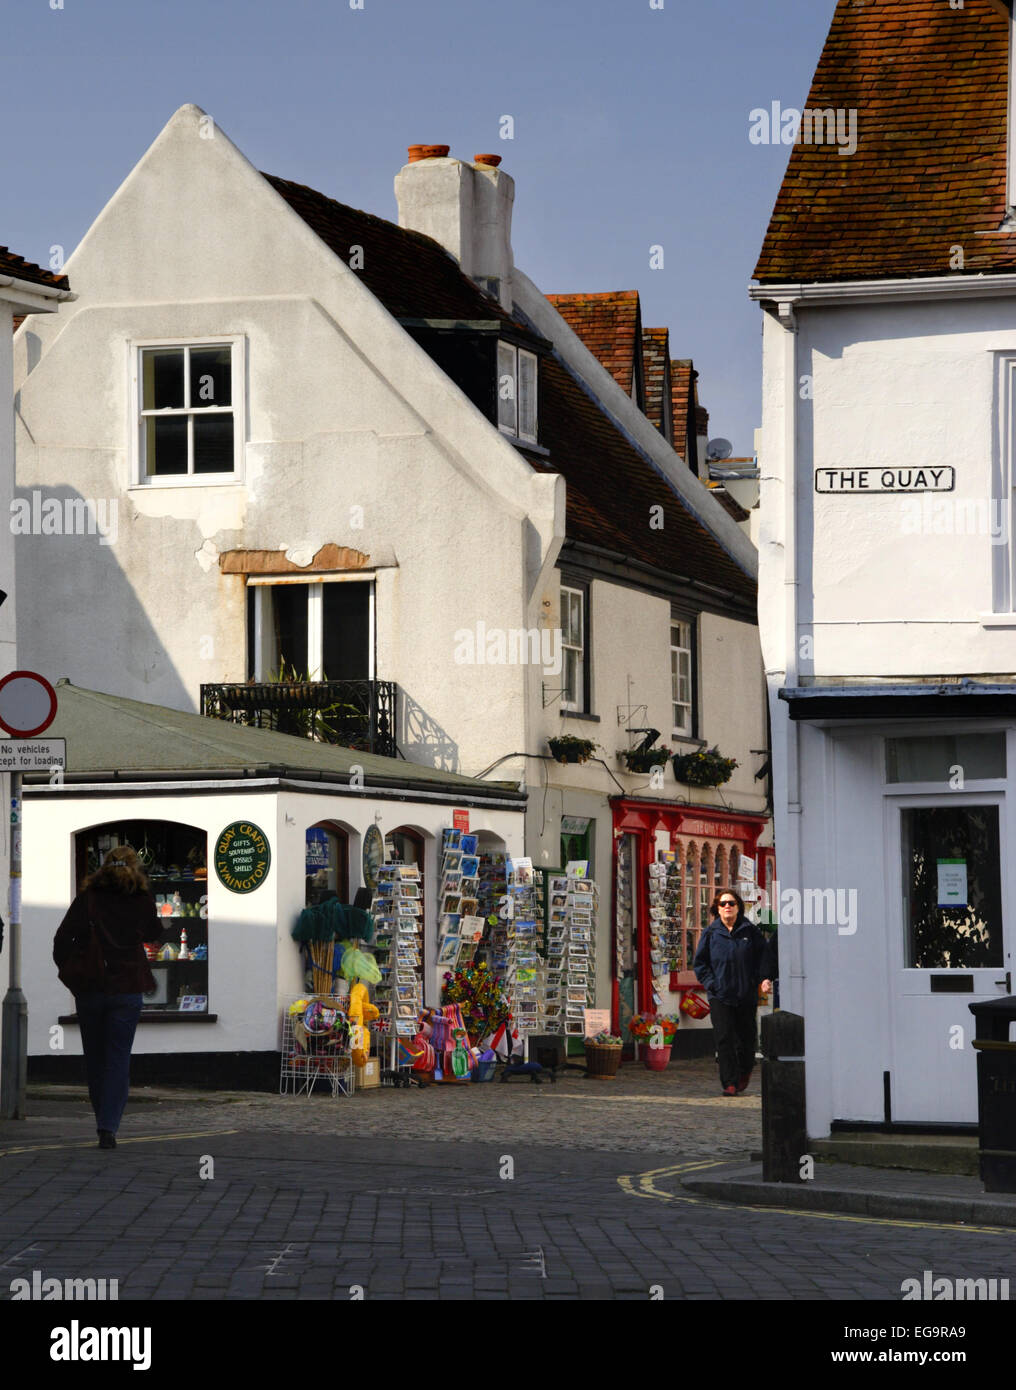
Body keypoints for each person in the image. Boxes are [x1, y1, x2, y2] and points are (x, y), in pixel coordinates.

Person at [53, 847, 162, 1149]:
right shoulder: (141, 900)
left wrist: (72, 973)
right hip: (127, 989)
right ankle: (108, 1126)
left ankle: (103, 1118)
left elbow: (61, 940)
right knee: (117, 1058)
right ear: (135, 868)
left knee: (95, 1058)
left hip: (90, 989)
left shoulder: (88, 900)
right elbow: (155, 933)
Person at [692, 888, 771, 1096]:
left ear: (738, 908)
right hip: (720, 995)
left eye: (731, 903)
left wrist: (764, 978)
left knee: (746, 1039)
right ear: (717, 909)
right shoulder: (710, 933)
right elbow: (700, 964)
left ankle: (744, 1070)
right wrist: (711, 984)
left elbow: (764, 957)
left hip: (745, 993)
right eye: (723, 904)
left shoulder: (750, 932)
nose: (727, 907)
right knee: (724, 1038)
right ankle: (729, 1082)